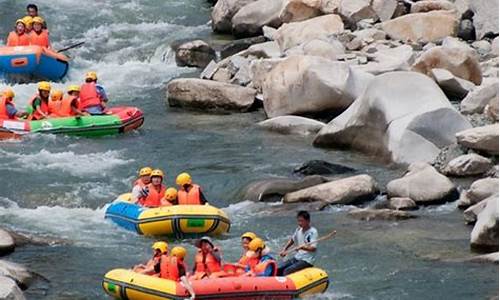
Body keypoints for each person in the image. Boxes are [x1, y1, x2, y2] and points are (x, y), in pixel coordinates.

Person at [278, 211, 318, 276]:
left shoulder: (313, 232)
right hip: (298, 257)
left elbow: (313, 248)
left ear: (308, 221)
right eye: (298, 221)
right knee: (279, 268)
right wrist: (285, 249)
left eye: (302, 221)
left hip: (307, 260)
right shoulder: (298, 229)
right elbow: (292, 240)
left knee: (287, 271)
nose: (299, 223)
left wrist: (302, 247)